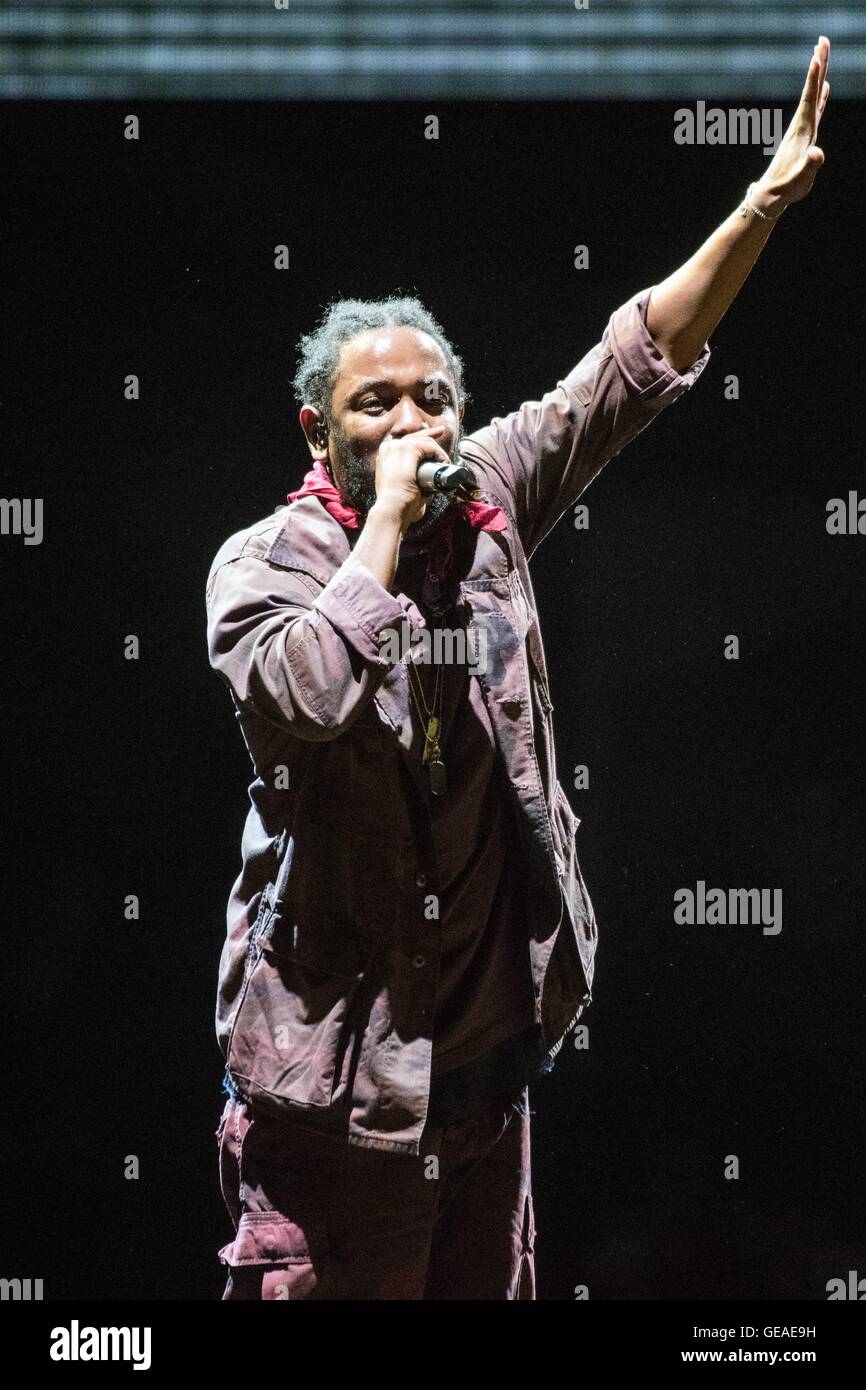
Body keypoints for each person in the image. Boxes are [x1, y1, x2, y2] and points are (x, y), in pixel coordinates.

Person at [205, 38, 830, 1300]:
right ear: (317, 428)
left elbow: (624, 372)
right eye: (374, 405)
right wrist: (378, 528)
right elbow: (305, 695)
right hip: (338, 1085)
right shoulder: (263, 562)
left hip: (481, 1071)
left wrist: (754, 208)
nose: (413, 426)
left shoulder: (488, 497)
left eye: (432, 399)